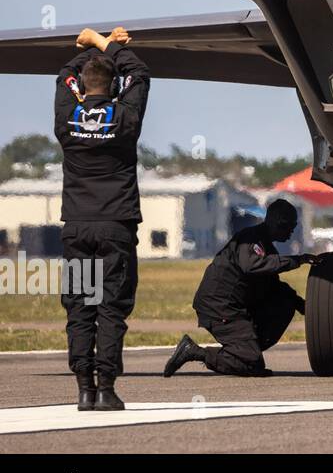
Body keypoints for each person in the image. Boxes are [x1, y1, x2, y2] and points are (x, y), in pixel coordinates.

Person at [55, 26, 150, 412]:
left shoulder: (67, 120)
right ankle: (106, 388)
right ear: (114, 87)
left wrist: (87, 48)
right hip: (116, 226)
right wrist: (108, 45)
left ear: (82, 86)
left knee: (81, 307)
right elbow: (140, 74)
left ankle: (83, 388)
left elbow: (64, 78)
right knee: (110, 307)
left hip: (77, 226)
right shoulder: (124, 119)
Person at [162, 199, 317, 377]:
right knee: (251, 362)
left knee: (285, 299)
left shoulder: (266, 246)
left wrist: (305, 306)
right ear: (274, 221)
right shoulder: (251, 239)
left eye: (293, 225)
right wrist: (298, 260)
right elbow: (251, 265)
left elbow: (274, 286)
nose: (290, 231)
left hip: (233, 306)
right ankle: (194, 351)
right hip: (219, 307)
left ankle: (246, 349)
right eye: (287, 225)